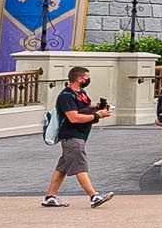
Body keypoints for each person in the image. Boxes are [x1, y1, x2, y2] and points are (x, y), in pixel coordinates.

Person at [42, 66, 113, 208]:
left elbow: (82, 109)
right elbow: (73, 117)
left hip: (80, 135)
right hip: (71, 136)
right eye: (86, 77)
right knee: (80, 165)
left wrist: (97, 107)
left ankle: (50, 197)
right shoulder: (66, 96)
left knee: (62, 167)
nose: (88, 80)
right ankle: (94, 196)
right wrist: (97, 115)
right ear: (79, 79)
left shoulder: (81, 93)